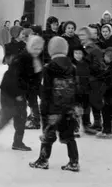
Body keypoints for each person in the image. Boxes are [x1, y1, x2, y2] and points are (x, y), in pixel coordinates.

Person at [31, 37, 81, 172]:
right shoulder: (73, 67)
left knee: (48, 135)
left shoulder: (48, 68)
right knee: (69, 136)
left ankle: (43, 160)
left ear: (50, 50)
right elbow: (77, 88)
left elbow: (46, 91)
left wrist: (43, 110)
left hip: (53, 109)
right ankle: (74, 162)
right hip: (69, 108)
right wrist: (77, 106)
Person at [0, 34, 40, 152]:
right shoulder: (23, 58)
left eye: (40, 48)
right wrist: (18, 94)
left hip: (18, 92)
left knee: (21, 117)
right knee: (9, 116)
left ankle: (17, 142)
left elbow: (34, 81)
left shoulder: (34, 59)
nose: (37, 50)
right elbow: (14, 78)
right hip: (10, 92)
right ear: (30, 47)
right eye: (35, 47)